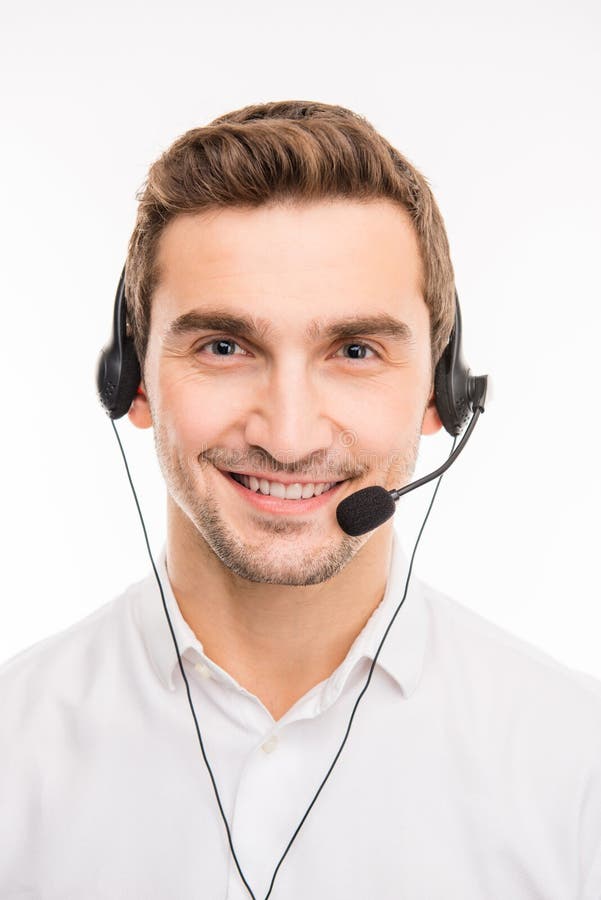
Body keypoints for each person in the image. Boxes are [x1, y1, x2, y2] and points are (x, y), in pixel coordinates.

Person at [1, 100, 600, 900]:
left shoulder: (576, 767)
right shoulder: (13, 751)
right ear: (132, 382)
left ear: (442, 395)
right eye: (224, 347)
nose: (287, 437)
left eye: (354, 351)